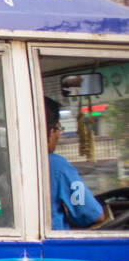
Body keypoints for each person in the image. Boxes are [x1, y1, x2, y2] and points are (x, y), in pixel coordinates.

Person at [45, 96, 104, 229]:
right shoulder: (56, 165)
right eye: (58, 128)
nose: (58, 135)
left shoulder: (9, 166)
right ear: (47, 129)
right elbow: (91, 215)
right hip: (55, 247)